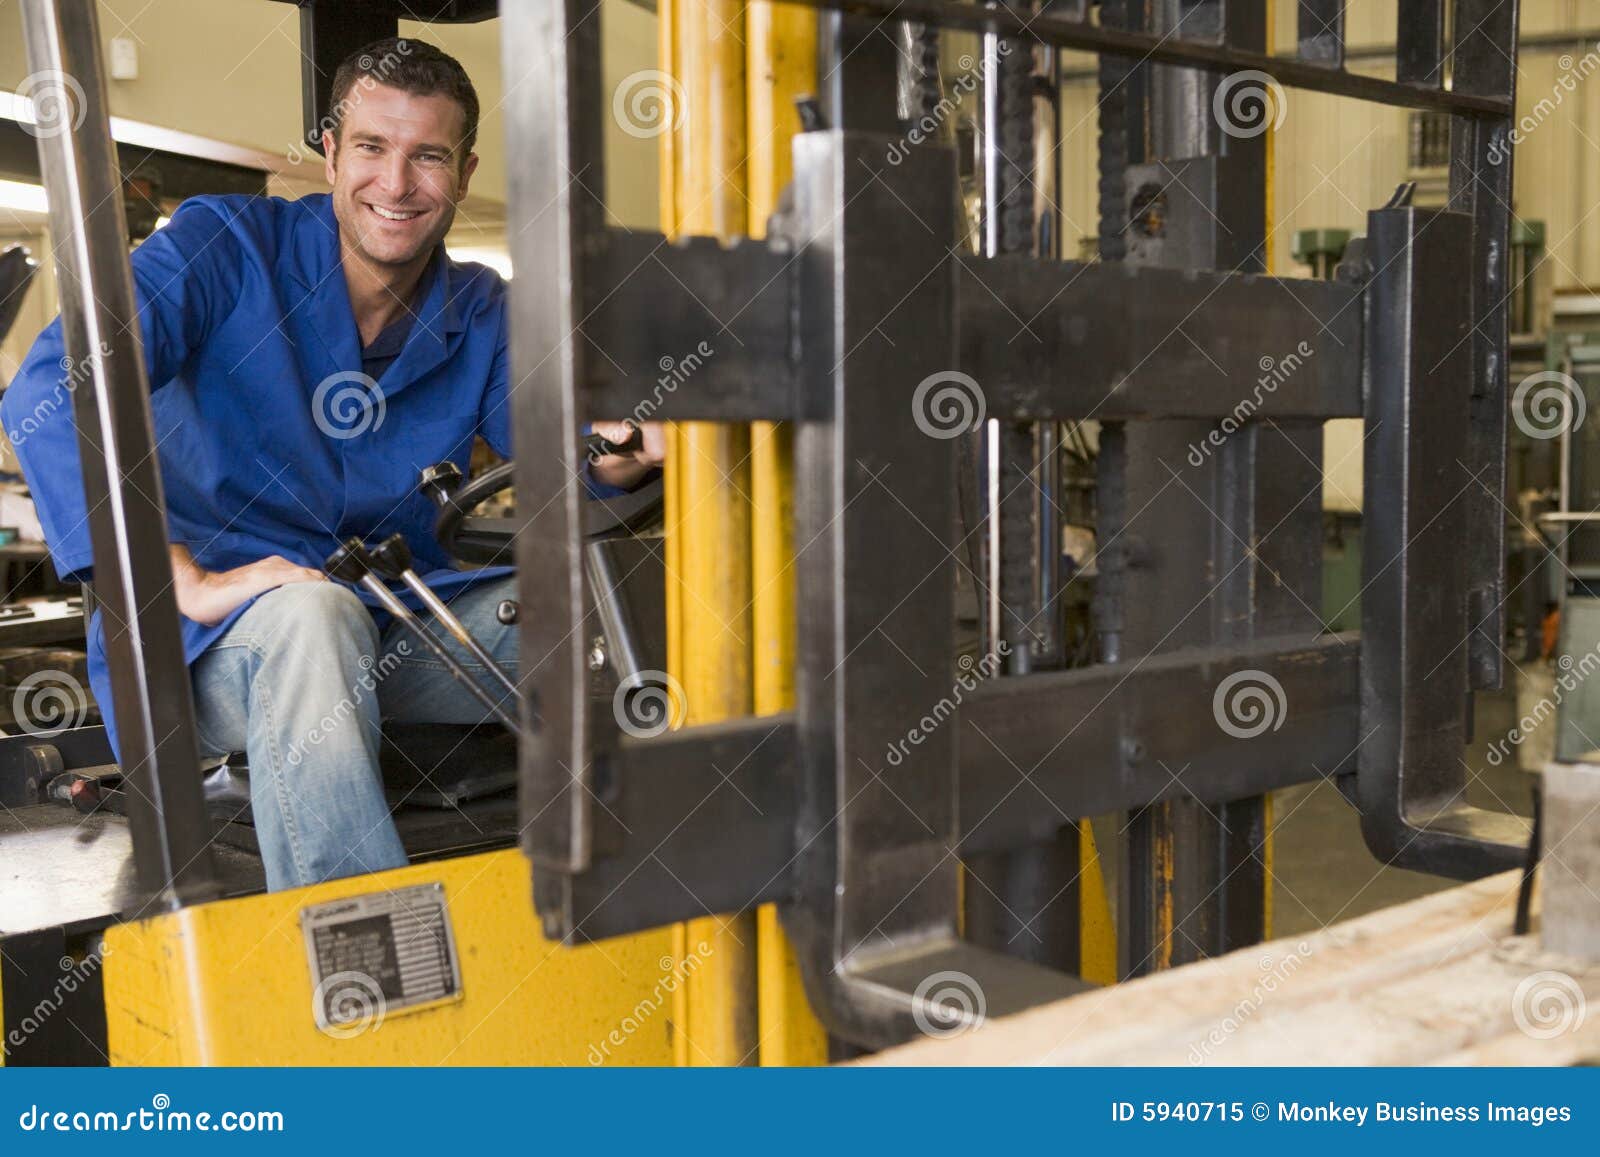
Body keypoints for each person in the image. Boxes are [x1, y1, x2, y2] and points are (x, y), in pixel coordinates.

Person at [1, 37, 663, 891]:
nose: (397, 183)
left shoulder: (484, 312)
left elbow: (563, 452)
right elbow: (53, 389)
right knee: (314, 617)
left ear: (464, 174)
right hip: (213, 645)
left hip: (399, 626)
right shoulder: (223, 249)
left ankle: (657, 891)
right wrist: (179, 577)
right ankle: (364, 948)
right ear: (330, 153)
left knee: (626, 602)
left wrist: (621, 455)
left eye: (428, 156)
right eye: (372, 148)